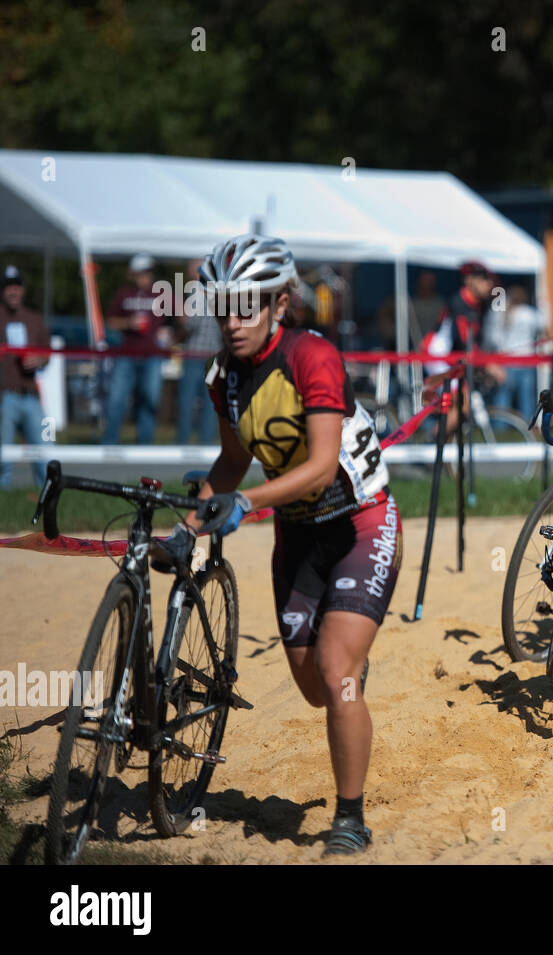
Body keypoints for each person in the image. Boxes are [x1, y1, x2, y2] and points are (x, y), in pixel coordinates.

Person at [166, 233, 399, 856]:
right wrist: (186, 527)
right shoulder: (226, 377)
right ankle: (345, 665)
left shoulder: (311, 356)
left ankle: (350, 818)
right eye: (224, 305)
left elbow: (323, 467)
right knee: (313, 688)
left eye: (249, 304)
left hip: (360, 524)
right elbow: (234, 457)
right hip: (297, 532)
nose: (233, 320)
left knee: (336, 674)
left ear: (280, 304)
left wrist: (245, 503)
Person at [420, 261, 500, 431]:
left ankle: (444, 446)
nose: (489, 284)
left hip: (451, 358)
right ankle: (435, 442)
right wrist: (486, 365)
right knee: (464, 404)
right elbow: (464, 342)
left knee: (456, 409)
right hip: (438, 357)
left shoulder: (478, 305)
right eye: (484, 279)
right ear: (469, 280)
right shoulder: (459, 304)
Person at [103, 253, 169, 444]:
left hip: (152, 356)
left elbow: (175, 320)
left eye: (147, 272)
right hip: (126, 354)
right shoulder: (124, 293)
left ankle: (144, 447)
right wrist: (129, 323)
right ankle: (109, 444)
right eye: (141, 272)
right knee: (117, 400)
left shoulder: (161, 294)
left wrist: (171, 333)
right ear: (133, 273)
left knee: (149, 400)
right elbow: (111, 322)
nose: (145, 276)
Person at [0, 265, 52, 487]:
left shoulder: (35, 319)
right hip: (4, 397)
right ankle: (5, 507)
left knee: (47, 452)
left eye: (16, 286)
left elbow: (48, 354)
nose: (13, 291)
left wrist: (39, 359)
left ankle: (48, 501)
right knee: (3, 458)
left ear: (22, 290)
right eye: (8, 287)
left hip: (31, 395)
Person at [174, 259, 220, 445]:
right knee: (210, 403)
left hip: (195, 354)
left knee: (187, 400)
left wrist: (180, 317)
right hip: (215, 354)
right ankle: (206, 442)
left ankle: (182, 442)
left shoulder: (195, 291)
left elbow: (190, 323)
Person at [482, 285, 544, 416]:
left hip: (506, 360)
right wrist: (543, 302)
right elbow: (544, 323)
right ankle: (527, 426)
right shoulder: (529, 313)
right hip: (526, 360)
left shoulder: (498, 313)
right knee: (526, 399)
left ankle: (501, 426)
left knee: (503, 398)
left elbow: (492, 339)